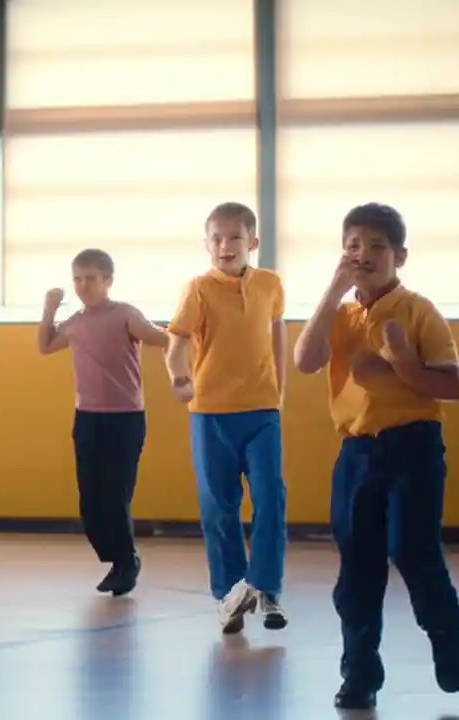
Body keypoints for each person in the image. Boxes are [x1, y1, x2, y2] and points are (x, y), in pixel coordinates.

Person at [291, 203, 459, 711]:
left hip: (412, 447)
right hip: (355, 452)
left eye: (375, 247)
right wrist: (332, 289)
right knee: (358, 568)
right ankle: (360, 670)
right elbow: (305, 360)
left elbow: (452, 385)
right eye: (352, 246)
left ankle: (445, 633)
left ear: (400, 255)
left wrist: (404, 367)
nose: (362, 255)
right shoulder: (342, 314)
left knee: (413, 552)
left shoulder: (418, 310)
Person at [165, 202, 289, 634]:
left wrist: (279, 392)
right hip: (211, 414)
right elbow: (176, 343)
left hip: (261, 411)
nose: (225, 245)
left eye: (234, 236)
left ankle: (267, 586)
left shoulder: (271, 285)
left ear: (252, 242)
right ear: (206, 244)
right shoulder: (198, 289)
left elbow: (277, 338)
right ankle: (229, 596)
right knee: (220, 508)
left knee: (270, 497)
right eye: (216, 238)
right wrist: (179, 378)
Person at [37, 249, 167, 596]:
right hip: (87, 417)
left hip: (124, 418)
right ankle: (116, 558)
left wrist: (189, 334)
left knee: (115, 494)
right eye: (77, 278)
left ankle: (126, 561)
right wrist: (49, 309)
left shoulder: (123, 314)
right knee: (90, 499)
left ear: (107, 281)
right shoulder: (75, 321)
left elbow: (161, 337)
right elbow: (46, 345)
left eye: (91, 278)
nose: (83, 285)